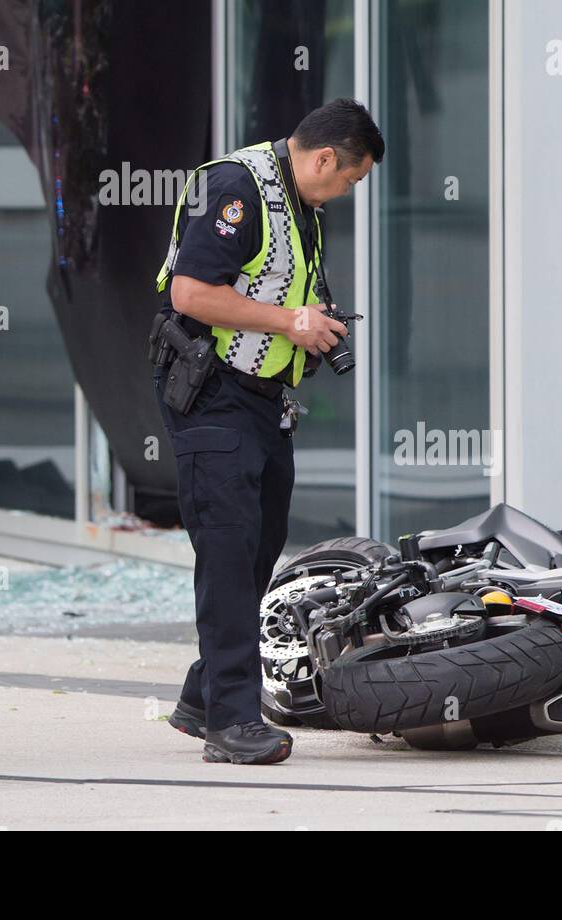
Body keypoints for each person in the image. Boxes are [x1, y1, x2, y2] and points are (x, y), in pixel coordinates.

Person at [151, 98, 384, 764]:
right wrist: (292, 324)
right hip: (208, 387)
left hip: (261, 398)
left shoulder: (301, 203)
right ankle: (232, 722)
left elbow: (281, 286)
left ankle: (203, 696)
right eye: (349, 180)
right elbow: (191, 295)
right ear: (323, 158)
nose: (345, 193)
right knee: (227, 548)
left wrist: (315, 322)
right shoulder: (235, 187)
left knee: (259, 546)